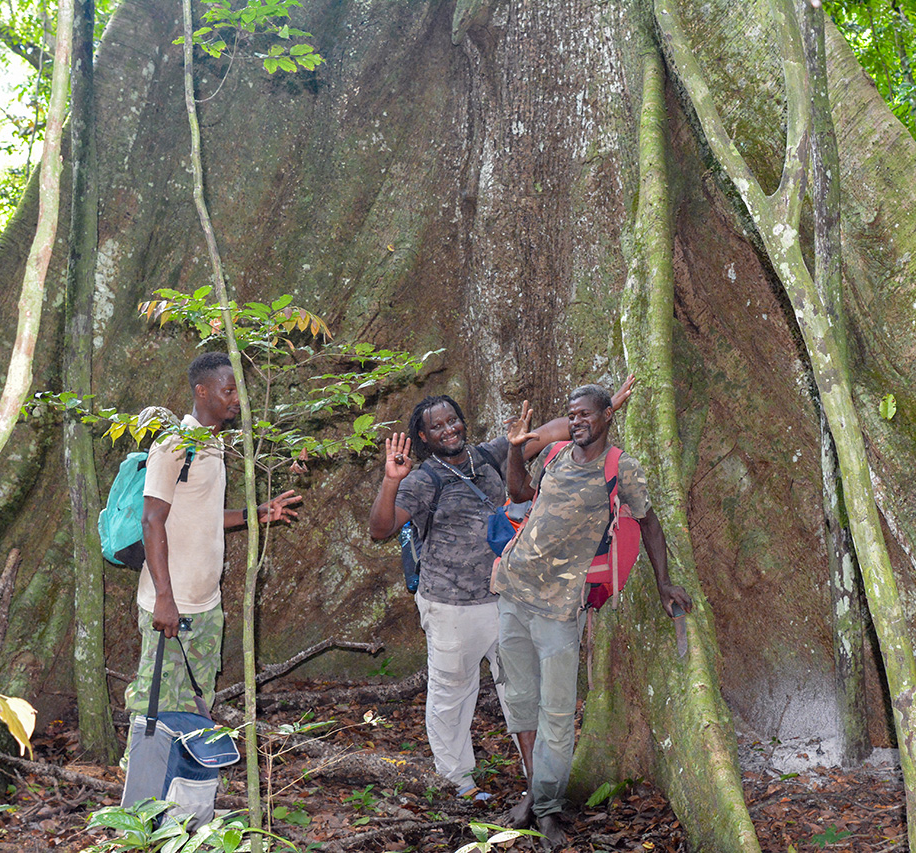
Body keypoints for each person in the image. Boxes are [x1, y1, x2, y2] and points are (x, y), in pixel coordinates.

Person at [367, 382, 633, 798]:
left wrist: (599, 412)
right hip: (451, 606)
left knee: (519, 689)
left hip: (507, 597)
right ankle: (457, 781)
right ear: (423, 437)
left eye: (452, 420)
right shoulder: (423, 480)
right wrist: (391, 480)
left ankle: (538, 782)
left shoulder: (487, 456)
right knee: (453, 694)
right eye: (436, 427)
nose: (448, 430)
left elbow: (544, 433)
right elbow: (380, 529)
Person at [495, 384, 692, 846]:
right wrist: (515, 449)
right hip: (512, 591)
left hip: (559, 608)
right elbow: (519, 490)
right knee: (521, 702)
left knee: (558, 715)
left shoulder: (620, 467)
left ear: (607, 415)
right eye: (572, 415)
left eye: (586, 414)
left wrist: (664, 583)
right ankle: (533, 793)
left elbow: (649, 523)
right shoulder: (558, 454)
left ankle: (546, 809)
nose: (577, 420)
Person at [124, 351, 302, 730]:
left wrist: (257, 513)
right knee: (154, 708)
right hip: (172, 605)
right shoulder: (174, 445)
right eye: (228, 390)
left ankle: (185, 784)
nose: (237, 398)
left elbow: (204, 516)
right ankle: (142, 783)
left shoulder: (217, 445)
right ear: (202, 392)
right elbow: (152, 519)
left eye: (239, 390)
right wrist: (164, 598)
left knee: (195, 705)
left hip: (207, 607)